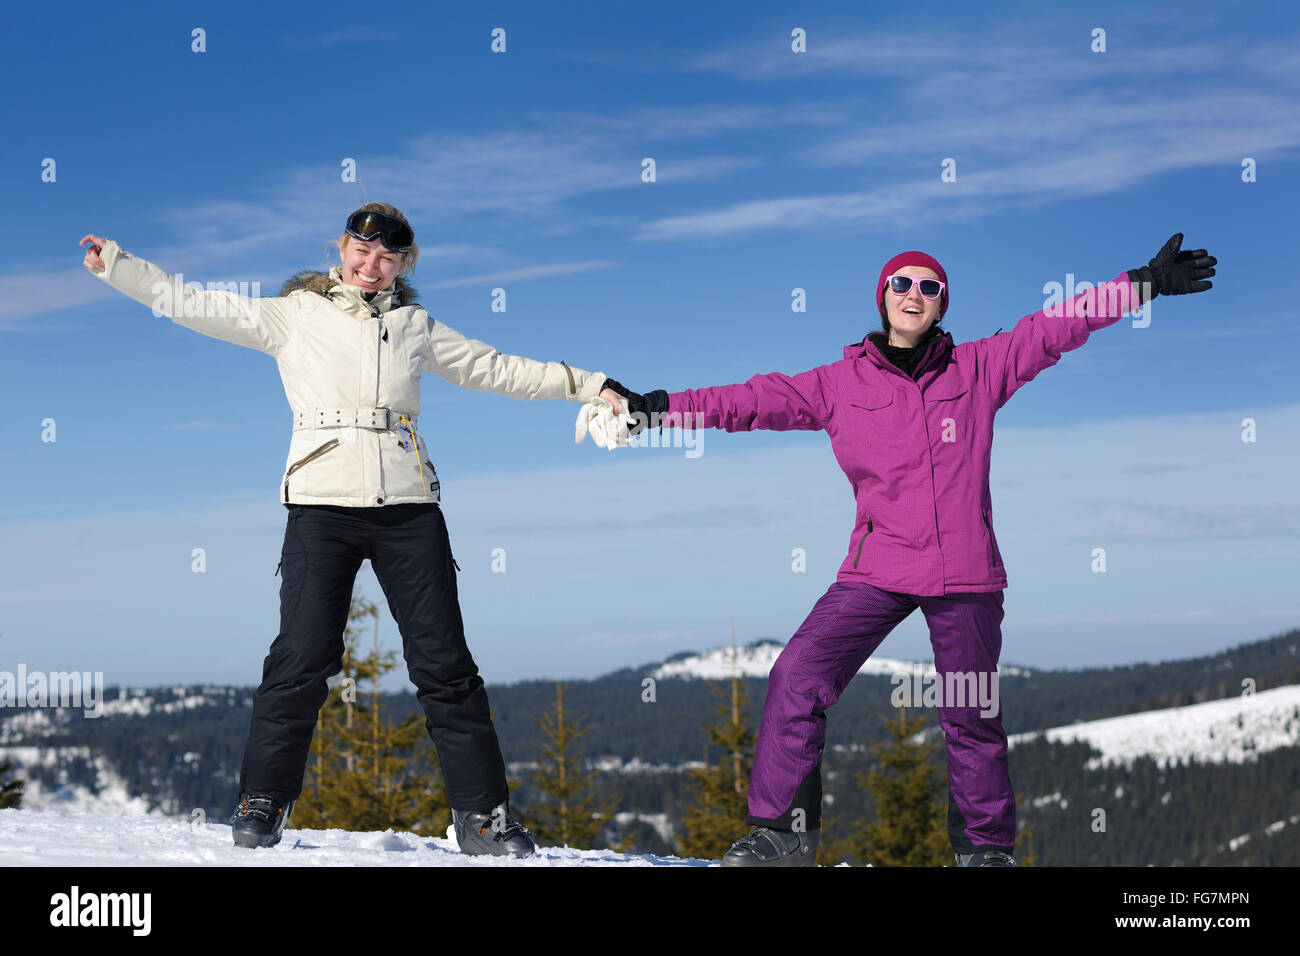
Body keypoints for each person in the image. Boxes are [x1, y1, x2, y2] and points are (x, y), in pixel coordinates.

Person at [601, 234, 1216, 866]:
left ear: (942, 305)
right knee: (797, 673)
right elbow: (749, 401)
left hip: (966, 571)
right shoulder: (837, 384)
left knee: (970, 712)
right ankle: (784, 835)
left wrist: (1143, 282)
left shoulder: (982, 366)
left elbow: (1059, 325)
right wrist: (656, 409)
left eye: (929, 286)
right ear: (884, 298)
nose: (914, 294)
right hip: (880, 565)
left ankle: (985, 852)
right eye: (903, 283)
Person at [80, 203, 631, 855]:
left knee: (445, 665)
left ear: (404, 264)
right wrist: (119, 266)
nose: (373, 266)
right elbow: (194, 303)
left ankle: (483, 816)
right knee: (303, 656)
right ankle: (263, 798)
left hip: (408, 508)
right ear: (341, 250)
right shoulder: (293, 315)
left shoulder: (414, 325)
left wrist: (591, 384)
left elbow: (498, 368)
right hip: (321, 505)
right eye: (362, 252)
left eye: (388, 257)